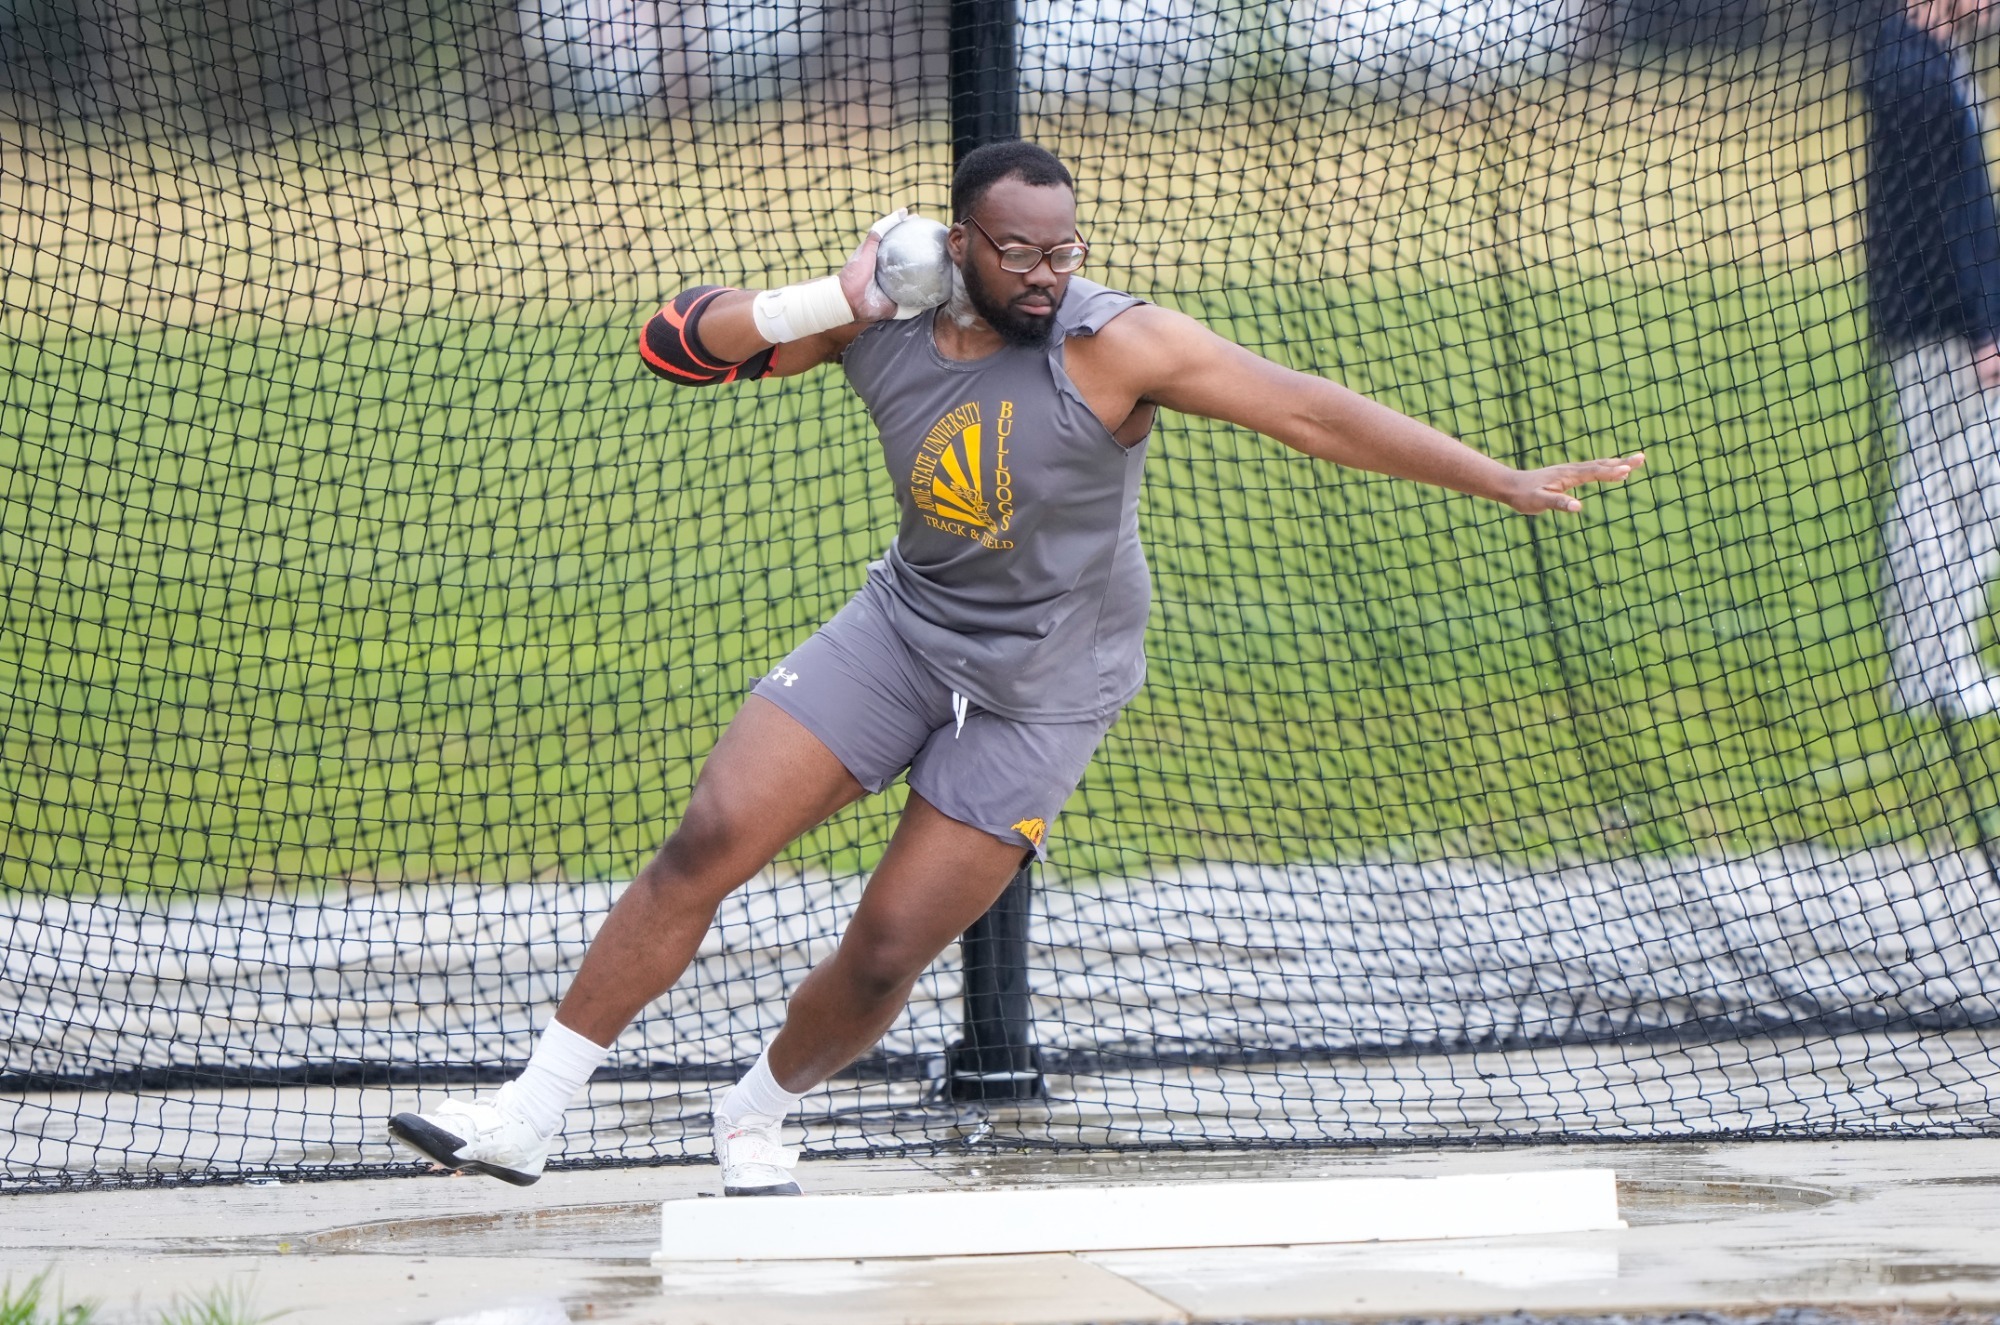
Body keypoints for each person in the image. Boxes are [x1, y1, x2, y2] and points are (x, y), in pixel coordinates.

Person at [388, 141, 1643, 1195]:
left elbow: (1304, 406)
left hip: (1045, 686)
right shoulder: (878, 323)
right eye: (1020, 253)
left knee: (886, 946)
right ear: (958, 245)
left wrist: (1496, 477)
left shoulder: (1116, 345)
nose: (1048, 275)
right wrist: (830, 294)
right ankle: (531, 1114)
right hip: (903, 628)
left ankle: (755, 1111)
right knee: (707, 839)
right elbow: (677, 345)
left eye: (1064, 249)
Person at [1863, 0, 2000, 717]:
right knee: (1941, 489)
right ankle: (1932, 674)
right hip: (1940, 322)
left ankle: (1943, 665)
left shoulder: (1929, 55)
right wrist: (1984, 327)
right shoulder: (1908, 71)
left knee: (1973, 490)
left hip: (1949, 317)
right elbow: (1943, 215)